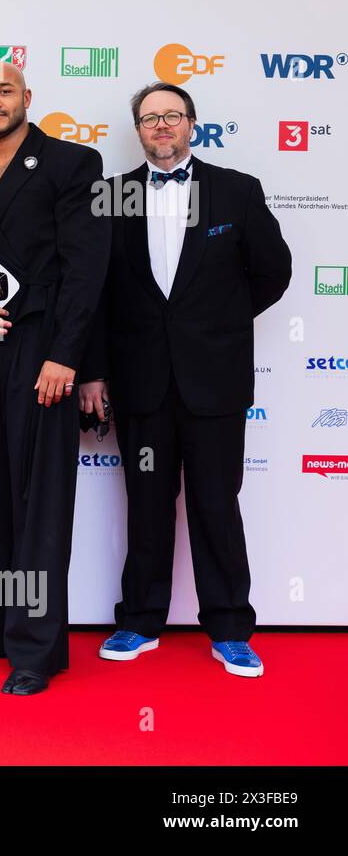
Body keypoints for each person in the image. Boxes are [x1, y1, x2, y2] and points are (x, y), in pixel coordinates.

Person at [79, 82, 292, 677]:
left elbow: (275, 271)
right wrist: (93, 371)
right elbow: (93, 295)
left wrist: (220, 322)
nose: (162, 126)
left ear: (192, 123)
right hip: (140, 379)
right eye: (150, 119)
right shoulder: (112, 196)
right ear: (138, 131)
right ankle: (140, 621)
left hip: (214, 383)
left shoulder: (236, 190)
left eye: (172, 115)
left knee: (215, 504)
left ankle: (229, 627)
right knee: (146, 504)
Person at [0, 60, 110, 695]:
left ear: (27, 98)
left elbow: (86, 268)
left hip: (45, 349)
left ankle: (35, 649)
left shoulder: (73, 165)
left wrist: (67, 356)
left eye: (4, 91)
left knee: (40, 501)